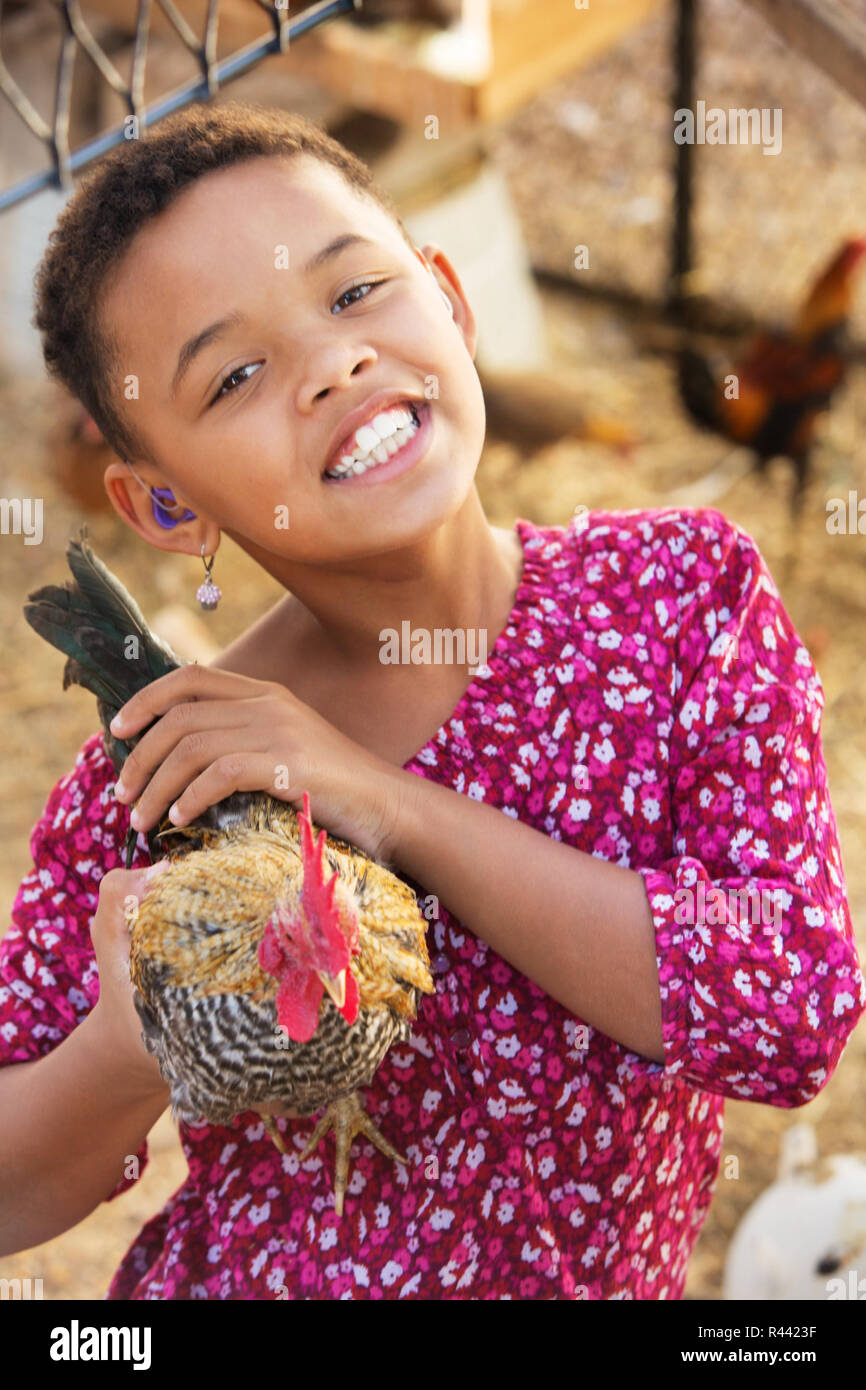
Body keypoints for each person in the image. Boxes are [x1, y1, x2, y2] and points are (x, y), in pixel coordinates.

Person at [0, 102, 863, 1299]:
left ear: (449, 300)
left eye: (354, 294)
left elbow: (785, 1013)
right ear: (162, 507)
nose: (333, 364)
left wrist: (379, 802)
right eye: (236, 373)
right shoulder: (169, 769)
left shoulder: (677, 602)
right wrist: (134, 1037)